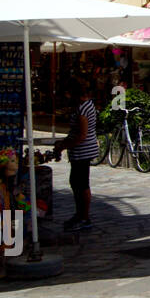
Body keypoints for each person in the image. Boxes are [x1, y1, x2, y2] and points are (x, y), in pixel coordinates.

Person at [52, 78, 99, 230]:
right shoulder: (84, 106)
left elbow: (81, 135)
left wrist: (65, 145)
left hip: (83, 150)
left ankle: (84, 217)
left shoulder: (83, 109)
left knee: (81, 183)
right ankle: (80, 214)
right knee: (76, 182)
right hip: (80, 150)